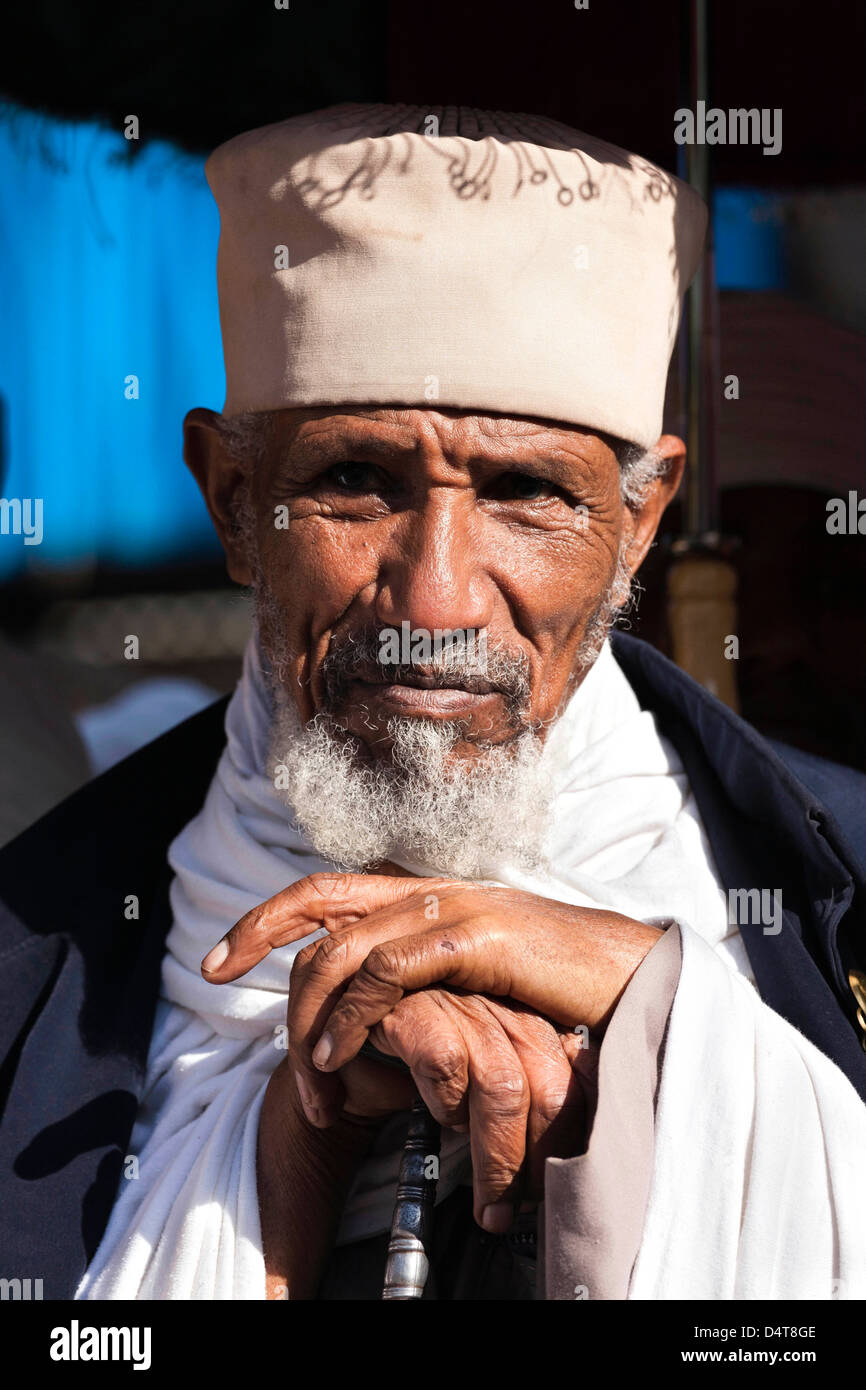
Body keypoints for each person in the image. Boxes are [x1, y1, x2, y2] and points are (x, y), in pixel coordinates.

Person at [1, 104, 864, 1301]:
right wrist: (290, 1154)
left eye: (523, 492)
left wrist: (648, 1004)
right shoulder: (30, 963)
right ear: (235, 499)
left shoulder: (839, 889)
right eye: (356, 480)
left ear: (638, 526)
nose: (436, 599)